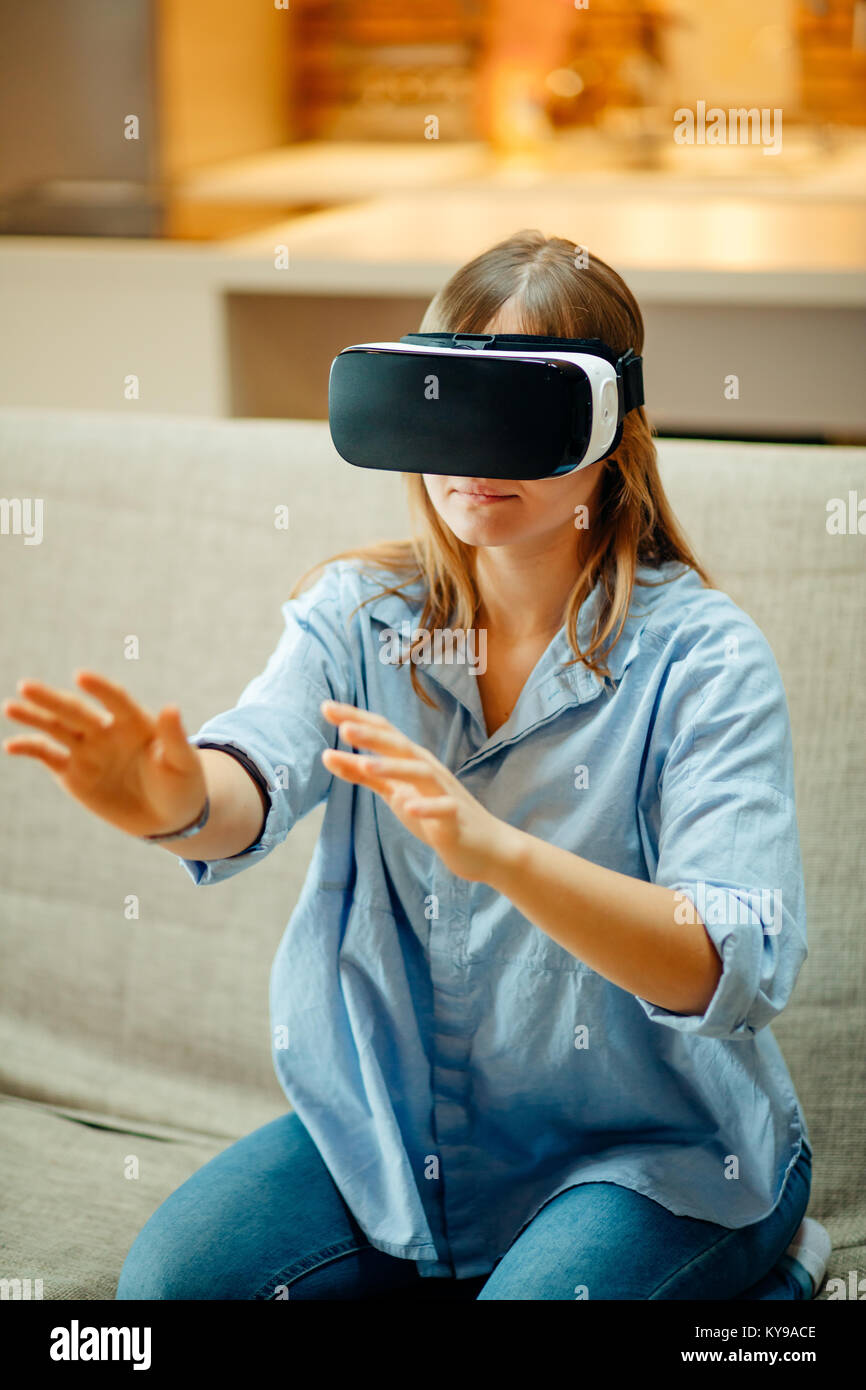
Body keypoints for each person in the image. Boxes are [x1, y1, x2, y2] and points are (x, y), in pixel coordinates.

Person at [2, 230, 831, 1301]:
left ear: (610, 434)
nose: (471, 455)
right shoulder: (357, 615)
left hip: (656, 1147)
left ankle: (765, 1280)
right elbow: (251, 773)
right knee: (174, 1288)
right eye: (443, 401)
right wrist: (172, 801)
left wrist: (498, 852)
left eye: (515, 409)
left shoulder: (704, 658)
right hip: (393, 1127)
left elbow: (729, 963)